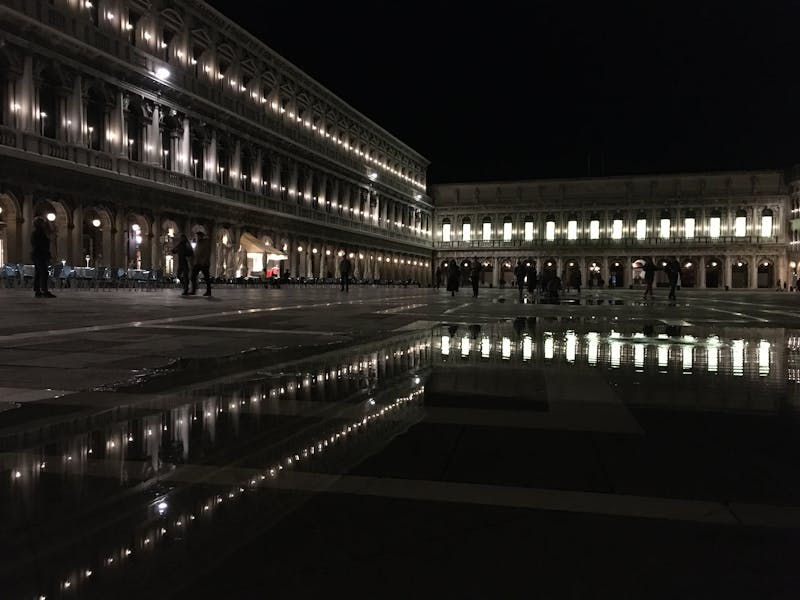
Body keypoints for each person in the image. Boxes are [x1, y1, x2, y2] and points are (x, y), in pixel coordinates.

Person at [31, 216, 55, 298]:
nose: (44, 224)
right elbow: (42, 245)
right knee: (44, 273)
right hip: (40, 255)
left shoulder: (37, 232)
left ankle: (38, 290)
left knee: (38, 273)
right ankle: (44, 290)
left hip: (37, 254)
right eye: (42, 222)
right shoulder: (39, 233)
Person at [190, 231, 212, 296]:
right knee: (192, 276)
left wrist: (205, 260)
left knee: (206, 278)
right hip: (197, 263)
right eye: (197, 236)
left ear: (201, 236)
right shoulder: (198, 243)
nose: (197, 237)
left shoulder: (205, 243)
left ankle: (208, 291)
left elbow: (208, 253)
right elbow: (196, 252)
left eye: (198, 236)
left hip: (204, 263)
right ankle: (193, 290)